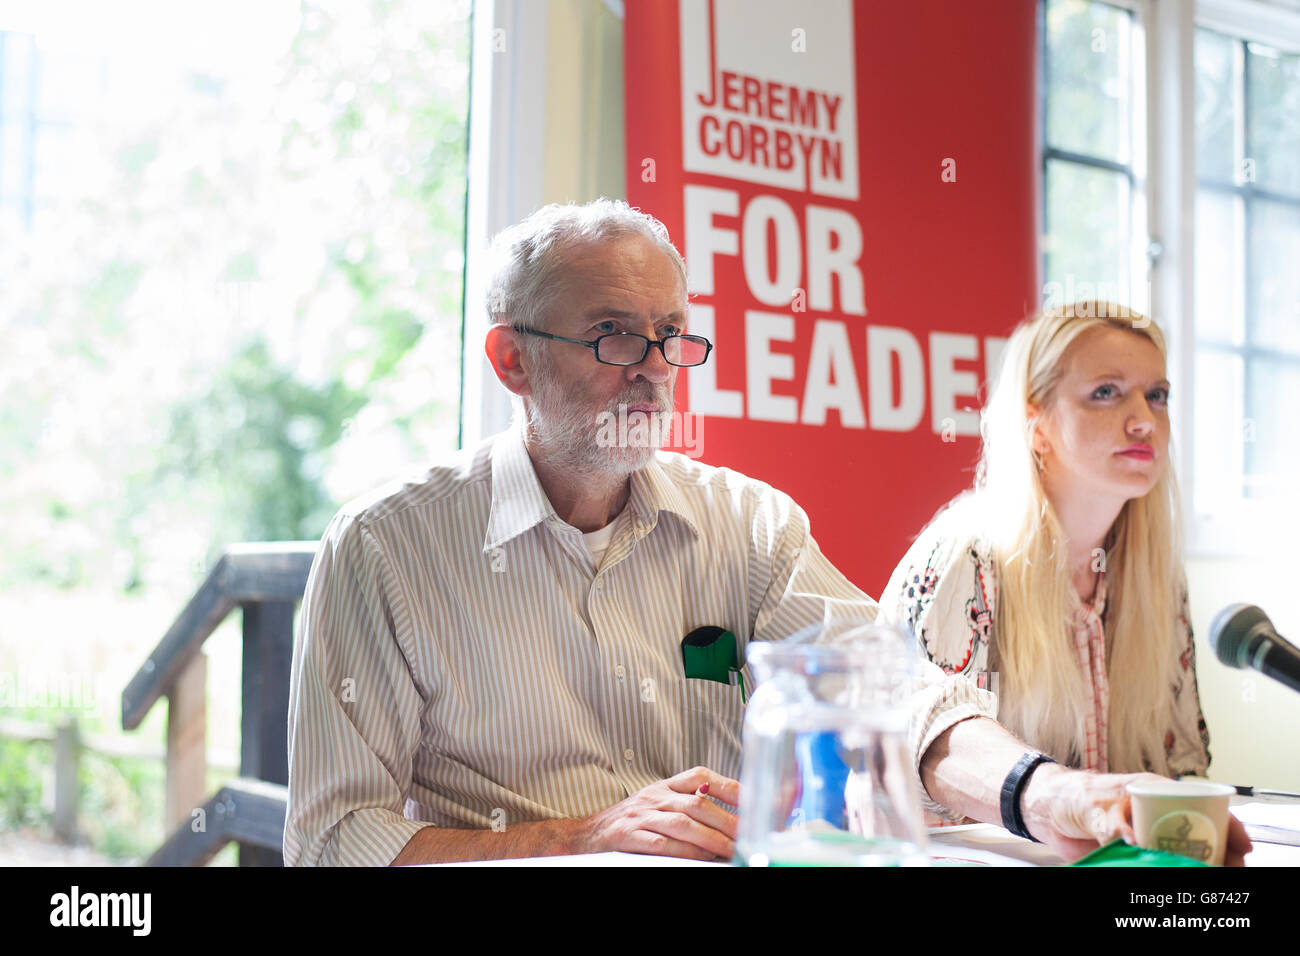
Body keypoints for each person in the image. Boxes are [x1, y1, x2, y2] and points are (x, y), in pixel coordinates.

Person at [283, 203, 1226, 866]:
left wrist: (1043, 793)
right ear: (511, 358)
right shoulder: (385, 548)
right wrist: (580, 836)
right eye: (613, 335)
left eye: (672, 335)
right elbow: (332, 844)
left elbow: (896, 692)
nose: (653, 370)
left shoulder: (748, 524)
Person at [884, 302, 1251, 863]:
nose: (1144, 421)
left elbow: (1183, 772)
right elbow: (908, 783)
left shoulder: (1156, 576)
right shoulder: (963, 557)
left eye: (1157, 395)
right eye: (1107, 392)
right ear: (1036, 425)